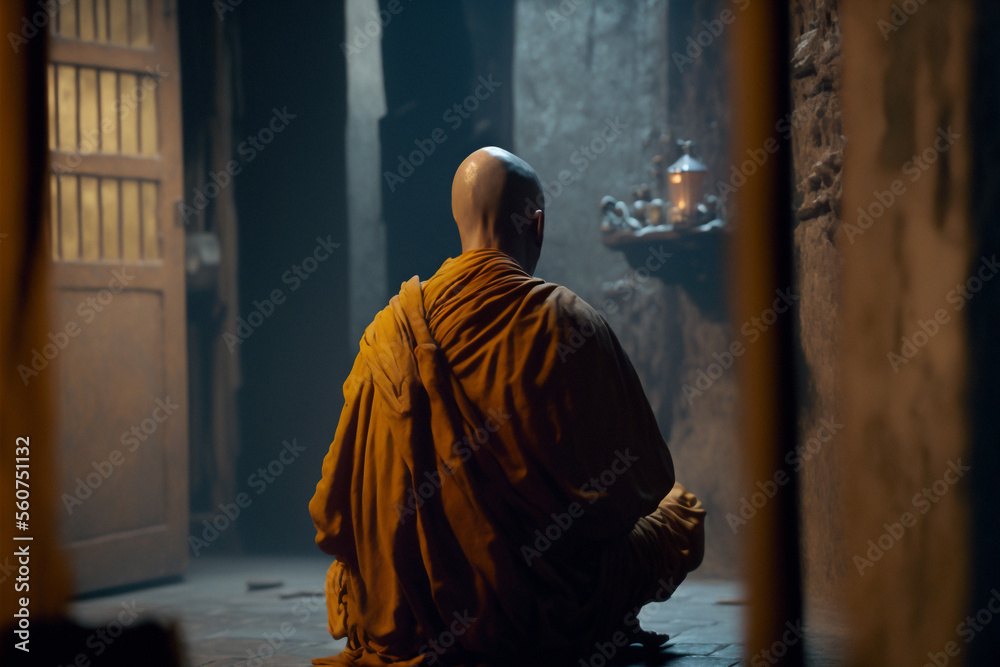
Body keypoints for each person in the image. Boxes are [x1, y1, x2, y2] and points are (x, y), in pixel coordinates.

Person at [309, 147, 705, 666]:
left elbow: (332, 516)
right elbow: (644, 482)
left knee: (354, 574)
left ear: (459, 221)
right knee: (682, 510)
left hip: (404, 609)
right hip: (538, 606)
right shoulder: (568, 321)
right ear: (535, 225)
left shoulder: (388, 333)